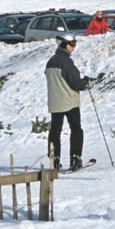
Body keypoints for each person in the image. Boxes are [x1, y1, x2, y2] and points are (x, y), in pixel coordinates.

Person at [45, 34, 90, 172]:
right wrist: (85, 83)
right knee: (76, 129)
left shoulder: (51, 61)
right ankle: (75, 158)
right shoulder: (66, 62)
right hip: (70, 101)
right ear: (64, 44)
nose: (73, 47)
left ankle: (55, 159)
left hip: (55, 102)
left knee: (55, 131)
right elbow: (75, 83)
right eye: (72, 44)